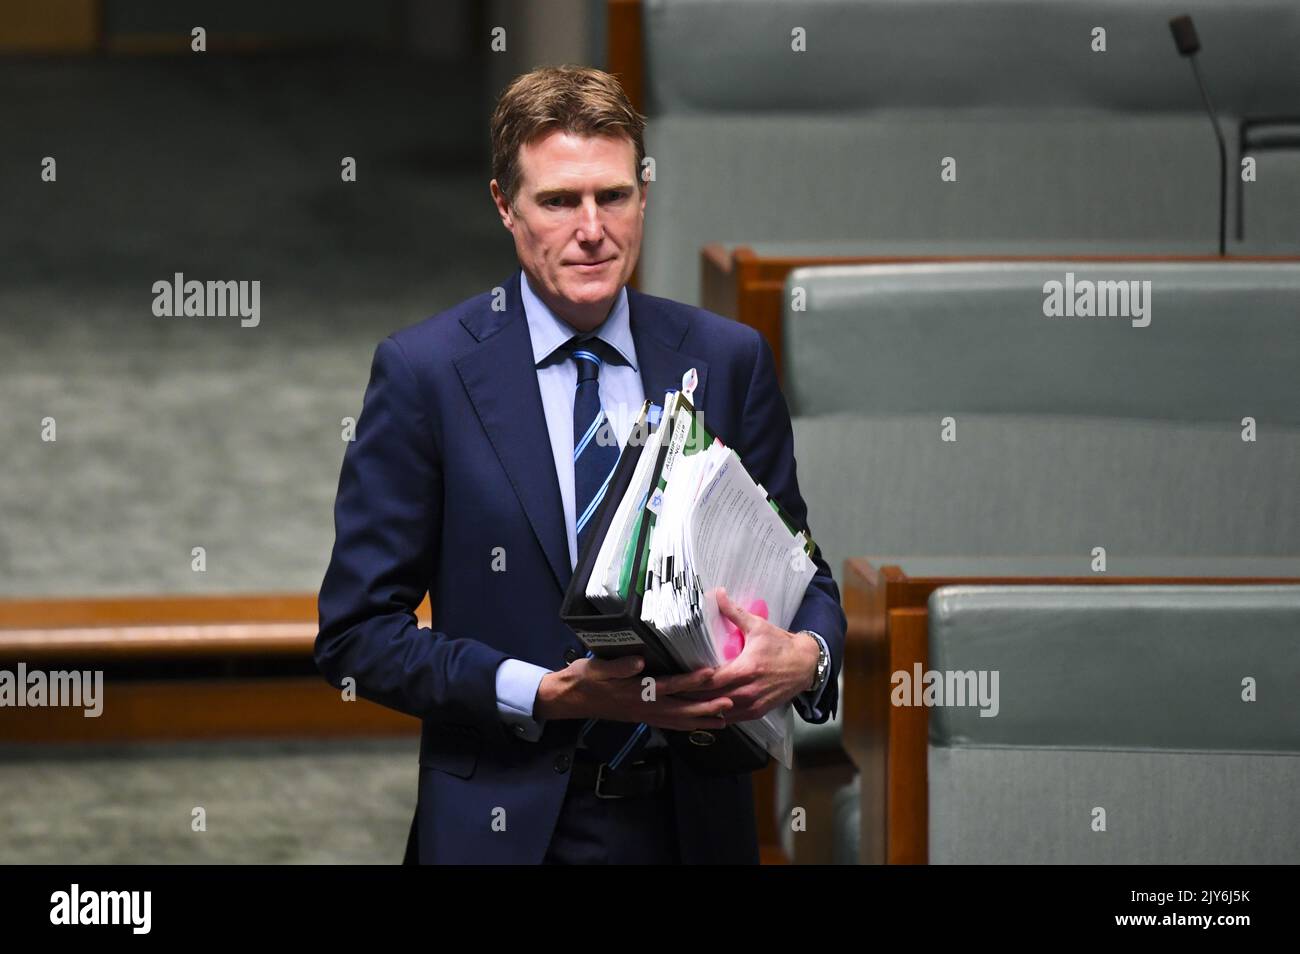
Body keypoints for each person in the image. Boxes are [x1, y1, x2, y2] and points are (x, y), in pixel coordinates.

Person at [315, 65, 845, 865]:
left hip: (692, 824)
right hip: (511, 825)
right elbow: (357, 634)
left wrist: (806, 657)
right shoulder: (426, 374)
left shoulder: (727, 359)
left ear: (644, 197)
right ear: (505, 205)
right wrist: (546, 692)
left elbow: (807, 579)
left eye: (614, 196)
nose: (591, 229)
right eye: (559, 201)